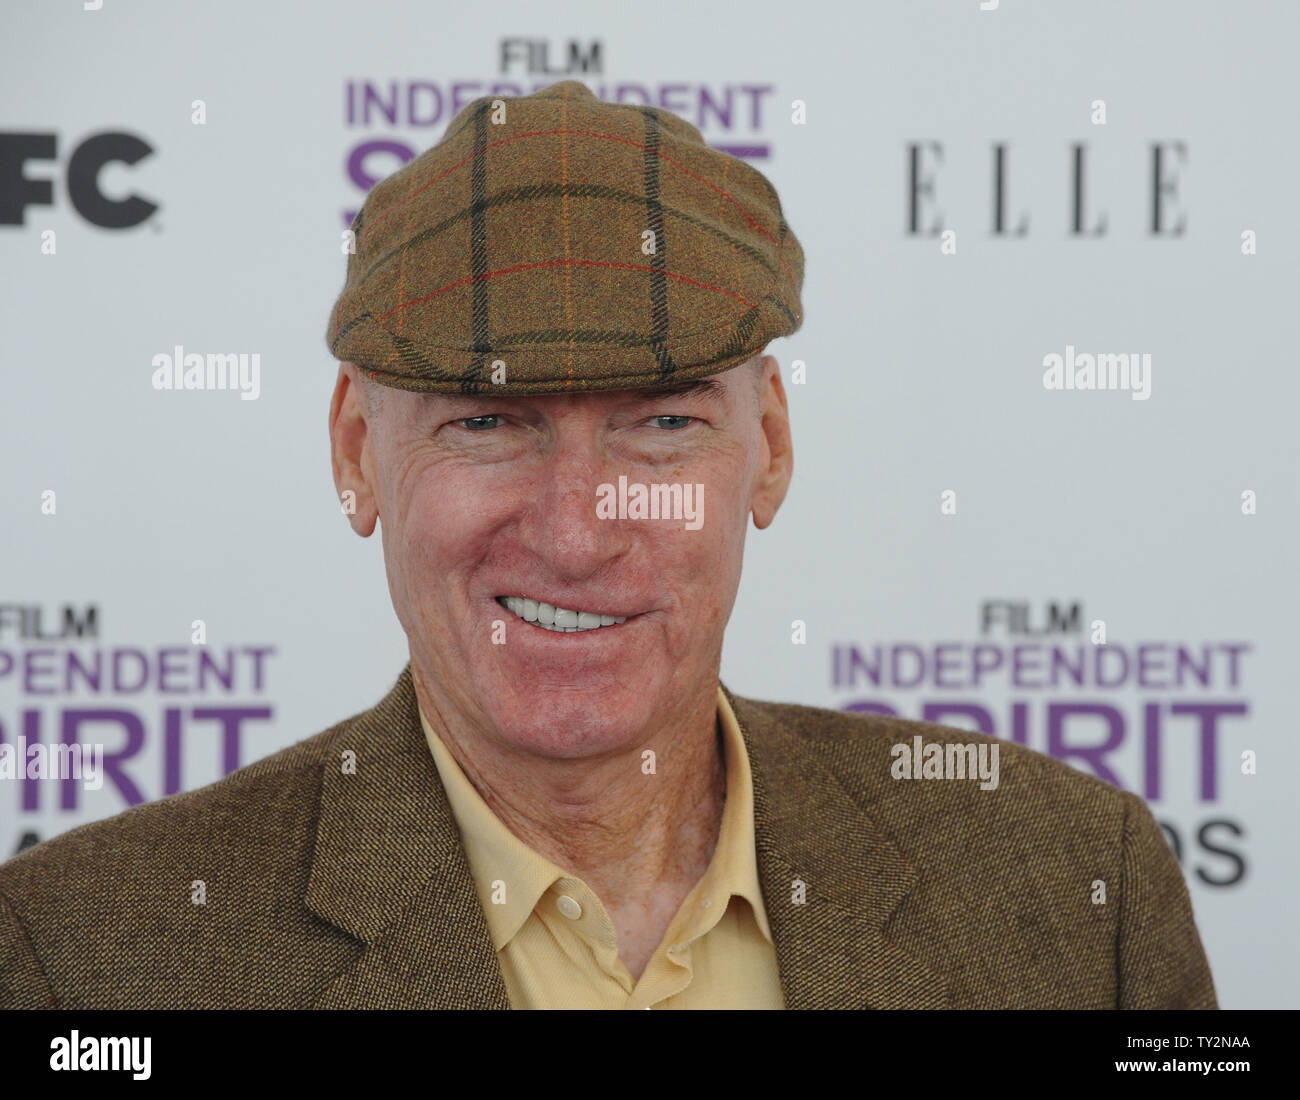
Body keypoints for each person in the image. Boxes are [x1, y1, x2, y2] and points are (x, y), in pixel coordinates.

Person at [0, 82, 1215, 1010]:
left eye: (662, 425)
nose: (578, 531)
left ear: (772, 447)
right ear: (355, 451)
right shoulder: (85, 953)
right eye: (486, 423)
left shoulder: (1070, 888)